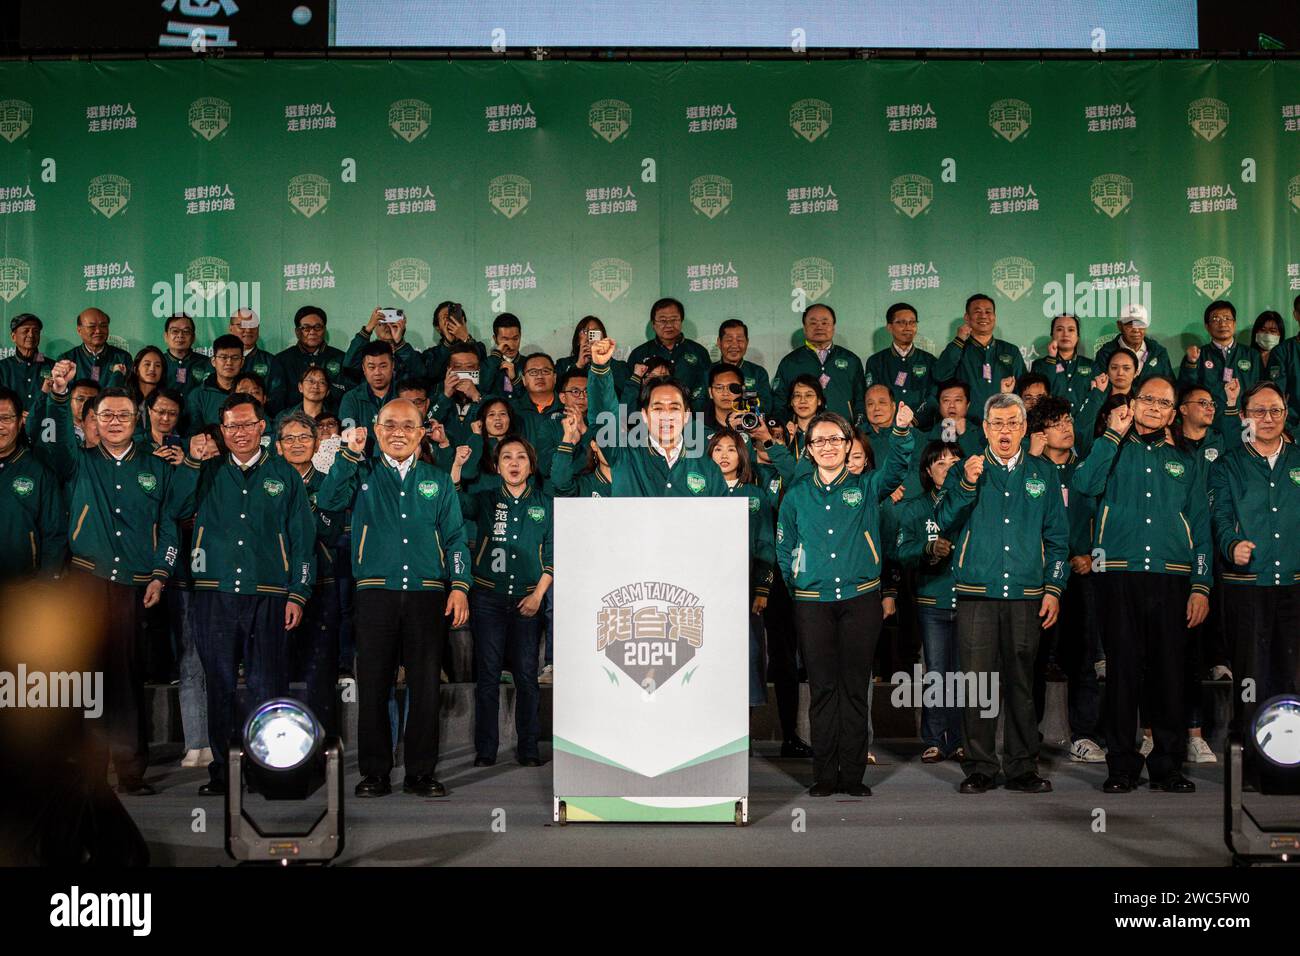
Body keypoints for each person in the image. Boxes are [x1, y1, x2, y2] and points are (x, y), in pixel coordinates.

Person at [316, 400, 471, 798]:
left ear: (422, 432)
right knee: (373, 685)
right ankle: (375, 772)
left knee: (424, 687)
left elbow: (455, 538)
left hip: (426, 594)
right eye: (389, 425)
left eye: (408, 425)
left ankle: (420, 772)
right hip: (375, 594)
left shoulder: (437, 480)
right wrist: (348, 455)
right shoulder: (360, 471)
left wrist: (459, 586)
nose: (398, 432)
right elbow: (329, 503)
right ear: (375, 428)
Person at [164, 393, 316, 795]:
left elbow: (303, 540)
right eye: (231, 426)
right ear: (222, 430)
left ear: (262, 427)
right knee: (220, 686)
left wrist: (298, 592)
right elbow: (175, 507)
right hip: (214, 597)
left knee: (270, 687)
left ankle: (269, 772)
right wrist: (193, 462)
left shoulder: (283, 474)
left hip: (269, 595)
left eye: (247, 425)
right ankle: (224, 773)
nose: (240, 433)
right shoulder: (207, 470)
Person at [45, 360, 183, 795]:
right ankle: (87, 770)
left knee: (125, 678)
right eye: (106, 415)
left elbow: (171, 524)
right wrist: (58, 397)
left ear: (136, 419)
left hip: (135, 587)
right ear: (93, 421)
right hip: (86, 582)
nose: (116, 422)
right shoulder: (78, 461)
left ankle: (129, 771)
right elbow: (53, 438)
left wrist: (161, 574)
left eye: (124, 415)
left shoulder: (157, 466)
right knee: (85, 678)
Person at [1071, 375, 1210, 794]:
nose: (1154, 406)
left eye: (1163, 402)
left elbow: (1201, 526)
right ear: (1132, 402)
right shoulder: (1110, 448)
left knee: (1169, 675)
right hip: (1118, 576)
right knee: (1123, 674)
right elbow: (1083, 486)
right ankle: (1121, 766)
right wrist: (1112, 434)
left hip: (1172, 580)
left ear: (1173, 413)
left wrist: (1202, 585)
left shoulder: (1186, 459)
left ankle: (1167, 766)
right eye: (1147, 398)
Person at [775, 405, 916, 796]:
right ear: (809, 449)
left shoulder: (867, 486)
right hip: (812, 603)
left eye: (835, 439)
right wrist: (800, 584)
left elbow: (897, 469)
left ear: (848, 443)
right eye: (819, 440)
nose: (828, 447)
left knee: (854, 688)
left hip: (860, 601)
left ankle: (852, 775)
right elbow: (784, 547)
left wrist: (902, 432)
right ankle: (824, 774)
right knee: (822, 688)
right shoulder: (796, 496)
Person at [936, 392, 1068, 794]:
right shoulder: (966, 468)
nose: (1005, 430)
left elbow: (1058, 539)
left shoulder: (1043, 473)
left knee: (1022, 685)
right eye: (997, 424)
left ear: (1025, 428)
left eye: (1013, 423)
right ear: (986, 429)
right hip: (977, 593)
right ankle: (979, 767)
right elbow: (940, 521)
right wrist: (966, 484)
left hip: (1028, 595)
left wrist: (1055, 588)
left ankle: (1022, 767)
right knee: (977, 684)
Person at [1207, 381, 1300, 756]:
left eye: (1275, 410)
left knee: (1291, 675)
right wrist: (1232, 545)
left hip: (1293, 587)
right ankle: (1249, 758)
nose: (1268, 418)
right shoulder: (1228, 464)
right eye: (1259, 411)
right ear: (1244, 416)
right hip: (1247, 587)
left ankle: (1289, 759)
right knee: (1251, 677)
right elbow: (1220, 517)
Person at [452, 436, 552, 767]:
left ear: (531, 465)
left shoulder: (545, 503)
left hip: (528, 600)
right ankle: (486, 749)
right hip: (487, 597)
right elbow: (454, 501)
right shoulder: (484, 500)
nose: (514, 463)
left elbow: (554, 553)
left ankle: (528, 747)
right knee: (488, 676)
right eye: (506, 457)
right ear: (496, 466)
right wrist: (456, 466)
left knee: (526, 675)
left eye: (521, 457)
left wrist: (538, 596)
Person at [1027, 395, 1104, 763]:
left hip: (1080, 579)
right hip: (1037, 581)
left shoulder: (1085, 469)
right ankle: (1029, 735)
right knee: (1035, 659)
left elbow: (1106, 518)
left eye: (1069, 421)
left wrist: (1093, 556)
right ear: (1040, 432)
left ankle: (1085, 735)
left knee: (1082, 658)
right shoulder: (1028, 469)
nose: (1067, 428)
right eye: (1057, 424)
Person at [586, 336, 728, 497]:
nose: (666, 416)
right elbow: (604, 419)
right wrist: (600, 368)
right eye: (658, 408)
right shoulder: (625, 456)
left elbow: (722, 518)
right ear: (644, 415)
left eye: (674, 408)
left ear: (687, 415)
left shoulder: (706, 467)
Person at [275, 409, 344, 736]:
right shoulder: (268, 484)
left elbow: (329, 533)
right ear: (277, 446)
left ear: (318, 445)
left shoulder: (329, 485)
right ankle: (279, 741)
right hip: (276, 586)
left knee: (320, 669)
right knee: (277, 666)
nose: (297, 444)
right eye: (289, 438)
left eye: (304, 437)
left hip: (323, 584)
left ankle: (321, 743)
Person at [895, 441, 964, 762]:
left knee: (966, 672)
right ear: (927, 471)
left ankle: (962, 739)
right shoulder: (916, 508)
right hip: (931, 598)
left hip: (969, 597)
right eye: (940, 463)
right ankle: (935, 738)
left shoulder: (972, 502)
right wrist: (927, 549)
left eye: (954, 461)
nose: (948, 467)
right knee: (936, 670)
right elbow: (901, 551)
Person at [708, 429, 776, 712]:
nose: (724, 455)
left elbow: (764, 543)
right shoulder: (699, 490)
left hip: (744, 586)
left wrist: (761, 589)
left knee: (749, 652)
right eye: (718, 449)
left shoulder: (754, 494)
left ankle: (744, 719)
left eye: (731, 449)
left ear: (742, 456)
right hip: (707, 587)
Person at [0, 385, 65, 583]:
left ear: (20, 421)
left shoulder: (38, 471)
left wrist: (45, 585)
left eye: (6, 418)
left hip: (23, 587)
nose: (0, 425)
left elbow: (55, 534)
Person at [933, 293, 1025, 422]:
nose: (983, 316)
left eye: (988, 311)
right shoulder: (958, 347)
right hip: (965, 426)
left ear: (994, 317)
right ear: (967, 317)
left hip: (1002, 425)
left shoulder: (1010, 350)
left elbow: (1023, 389)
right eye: (977, 311)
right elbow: (940, 375)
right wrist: (959, 340)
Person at [772, 303, 866, 423]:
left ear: (833, 327)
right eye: (813, 323)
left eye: (824, 323)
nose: (819, 327)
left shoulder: (851, 360)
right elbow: (779, 402)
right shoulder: (789, 362)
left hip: (844, 432)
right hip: (803, 435)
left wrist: (858, 427)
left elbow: (860, 400)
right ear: (804, 328)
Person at [1179, 299, 1260, 421]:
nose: (1222, 324)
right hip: (1210, 422)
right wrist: (1191, 363)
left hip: (1244, 421)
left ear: (1234, 323)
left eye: (1227, 318)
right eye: (1216, 319)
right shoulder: (1198, 355)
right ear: (1207, 326)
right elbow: (1186, 390)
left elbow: (1259, 390)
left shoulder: (1251, 355)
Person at [625, 297, 712, 408]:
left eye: (674, 319)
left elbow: (706, 388)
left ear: (681, 321)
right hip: (651, 419)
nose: (669, 325)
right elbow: (632, 393)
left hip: (693, 418)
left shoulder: (698, 351)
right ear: (653, 324)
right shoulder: (639, 353)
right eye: (662, 320)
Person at [865, 302, 937, 426]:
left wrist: (913, 420)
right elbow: (873, 396)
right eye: (901, 322)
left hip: (921, 429)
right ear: (889, 327)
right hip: (887, 428)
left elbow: (933, 396)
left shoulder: (929, 360)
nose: (908, 327)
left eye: (912, 322)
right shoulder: (876, 361)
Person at [273, 305, 347, 409]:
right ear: (297, 332)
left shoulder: (341, 358)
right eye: (306, 328)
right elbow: (277, 401)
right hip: (293, 420)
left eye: (317, 327)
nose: (312, 332)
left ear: (324, 330)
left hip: (331, 421)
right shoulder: (282, 360)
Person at [339, 341, 398, 454]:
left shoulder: (402, 396)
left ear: (393, 365)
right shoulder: (351, 399)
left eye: (383, 366)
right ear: (364, 368)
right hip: (363, 465)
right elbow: (348, 439)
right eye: (371, 367)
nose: (377, 372)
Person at [1032, 313, 1097, 412]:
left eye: (1071, 330)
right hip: (1050, 425)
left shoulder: (1090, 365)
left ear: (1077, 337)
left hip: (1083, 425)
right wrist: (1052, 358)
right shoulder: (1040, 365)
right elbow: (1041, 396)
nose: (1065, 334)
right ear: (1052, 335)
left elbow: (1095, 401)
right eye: (1059, 329)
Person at [224, 308, 284, 414]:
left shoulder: (271, 362)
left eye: (252, 325)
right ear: (230, 328)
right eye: (241, 325)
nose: (248, 330)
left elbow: (277, 399)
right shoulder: (219, 361)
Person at [556, 316, 631, 399]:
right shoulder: (563, 364)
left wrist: (601, 365)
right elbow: (557, 394)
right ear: (577, 340)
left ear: (603, 338)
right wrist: (578, 366)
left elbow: (624, 397)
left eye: (595, 332)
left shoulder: (619, 367)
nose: (589, 337)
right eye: (585, 332)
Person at [346, 307, 425, 385]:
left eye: (393, 323)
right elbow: (349, 365)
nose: (388, 326)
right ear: (375, 327)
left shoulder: (410, 354)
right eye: (383, 323)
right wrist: (367, 329)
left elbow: (420, 374)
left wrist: (399, 342)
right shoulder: (367, 354)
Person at [183, 334, 242, 437]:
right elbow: (193, 434)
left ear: (242, 362)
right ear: (213, 361)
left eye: (235, 358)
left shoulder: (249, 392)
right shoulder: (198, 395)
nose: (229, 362)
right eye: (223, 357)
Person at [1095, 303, 1174, 380]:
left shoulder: (1158, 352)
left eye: (1140, 324)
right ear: (1120, 325)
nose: (1136, 330)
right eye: (1130, 324)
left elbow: (1170, 386)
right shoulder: (1105, 354)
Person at [714, 319, 775, 418]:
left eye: (740, 340)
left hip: (749, 429)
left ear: (747, 342)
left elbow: (767, 407)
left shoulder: (758, 373)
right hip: (714, 429)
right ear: (719, 342)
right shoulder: (707, 373)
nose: (734, 345)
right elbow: (699, 408)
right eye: (729, 340)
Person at [58, 308, 131, 389]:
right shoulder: (67, 359)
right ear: (79, 330)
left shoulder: (122, 357)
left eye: (103, 326)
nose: (98, 331)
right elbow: (61, 393)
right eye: (92, 326)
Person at [423, 300, 486, 384]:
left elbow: (484, 371)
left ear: (463, 322)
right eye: (446, 317)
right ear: (438, 327)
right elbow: (433, 374)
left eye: (454, 317)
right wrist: (448, 343)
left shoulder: (479, 347)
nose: (450, 321)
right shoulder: (431, 354)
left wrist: (465, 338)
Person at [0, 313, 52, 414]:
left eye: (36, 331)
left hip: (44, 426)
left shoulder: (51, 366)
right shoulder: (2, 368)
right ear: (13, 337)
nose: (31, 335)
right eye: (26, 331)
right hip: (11, 425)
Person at [160, 313, 207, 395]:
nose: (180, 335)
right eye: (175, 331)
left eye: (186, 331)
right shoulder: (158, 363)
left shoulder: (206, 363)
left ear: (193, 338)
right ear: (166, 336)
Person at [482, 312, 524, 397]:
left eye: (515, 339)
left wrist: (515, 380)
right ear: (495, 339)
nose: (511, 346)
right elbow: (482, 389)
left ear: (520, 336)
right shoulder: (486, 364)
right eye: (505, 339)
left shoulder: (528, 364)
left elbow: (531, 398)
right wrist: (496, 356)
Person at [1249, 310, 1288, 389]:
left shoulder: (1286, 357)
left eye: (1273, 331)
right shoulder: (1246, 356)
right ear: (1255, 333)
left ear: (1280, 334)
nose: (1267, 334)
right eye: (1262, 330)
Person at [127, 345, 165, 409]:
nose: (152, 369)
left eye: (157, 365)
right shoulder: (125, 399)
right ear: (136, 369)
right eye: (147, 364)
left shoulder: (165, 401)